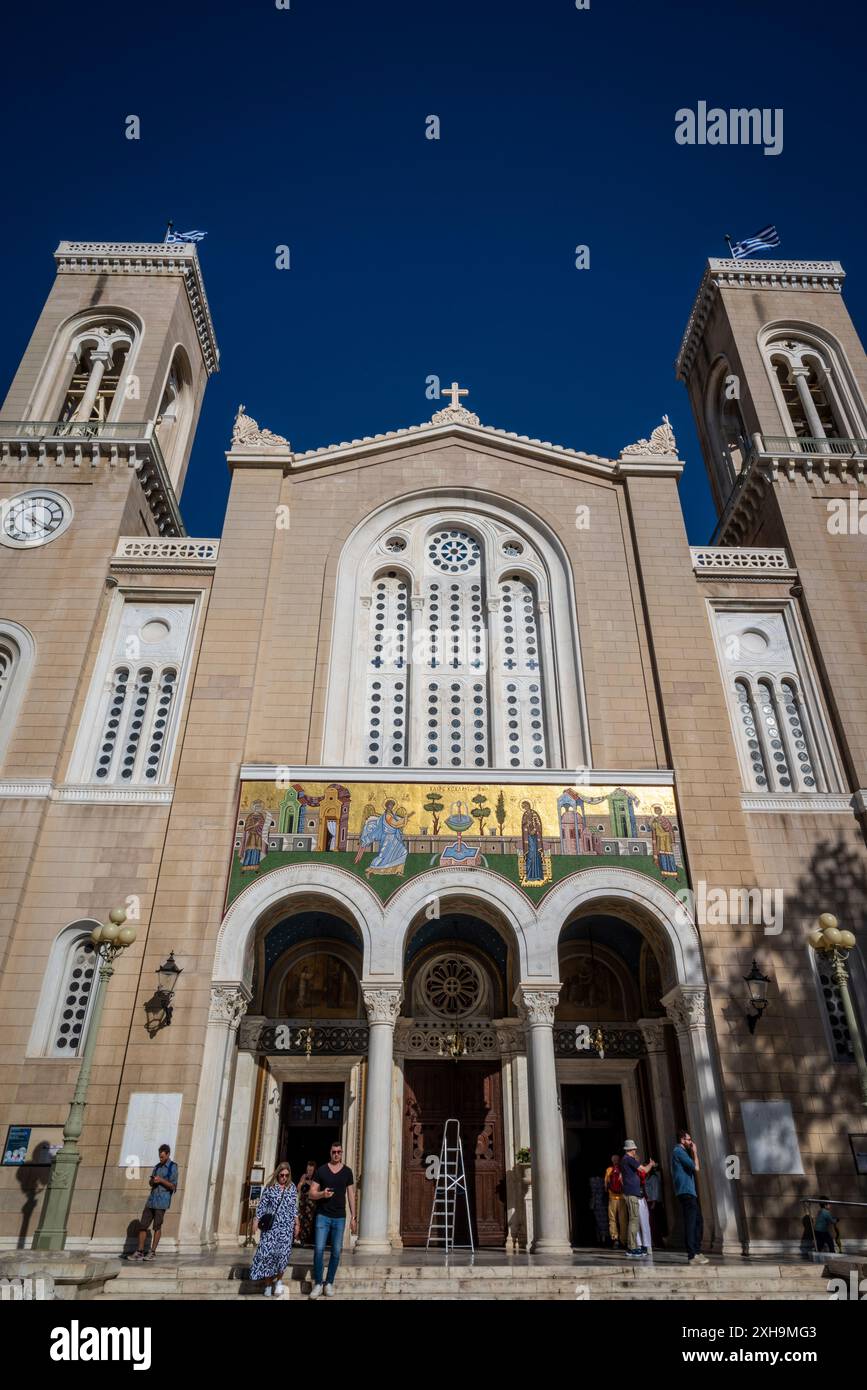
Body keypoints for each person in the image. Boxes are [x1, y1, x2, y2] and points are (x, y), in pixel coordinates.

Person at [308, 1141, 356, 1298]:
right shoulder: (321, 1170)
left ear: (342, 1153)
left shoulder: (348, 1172)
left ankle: (329, 1282)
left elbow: (351, 1195)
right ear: (330, 1152)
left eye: (339, 1152)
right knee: (319, 1250)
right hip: (323, 1215)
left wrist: (354, 1217)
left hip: (339, 1217)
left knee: (336, 1251)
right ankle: (318, 1283)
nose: (336, 1154)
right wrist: (323, 1194)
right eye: (334, 1151)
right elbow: (311, 1193)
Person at [251, 1161, 300, 1297]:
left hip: (286, 1228)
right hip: (271, 1229)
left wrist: (297, 1224)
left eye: (286, 1175)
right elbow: (262, 1206)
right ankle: (267, 1284)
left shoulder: (292, 1188)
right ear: (277, 1174)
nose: (284, 1177)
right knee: (267, 1255)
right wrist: (256, 1220)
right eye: (281, 1175)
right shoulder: (270, 1188)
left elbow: (294, 1208)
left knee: (282, 1256)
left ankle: (278, 1281)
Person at [131, 1144, 178, 1260]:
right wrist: (152, 1181)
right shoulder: (157, 1167)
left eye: (162, 1157)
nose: (160, 1159)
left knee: (157, 1227)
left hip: (162, 1202)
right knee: (143, 1226)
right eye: (159, 1156)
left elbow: (173, 1186)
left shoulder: (173, 1167)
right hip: (151, 1201)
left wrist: (161, 1180)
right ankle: (140, 1251)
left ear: (167, 1154)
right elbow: (151, 1183)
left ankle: (152, 1252)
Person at [672, 1130, 708, 1265]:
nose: (690, 1142)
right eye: (688, 1139)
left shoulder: (681, 1152)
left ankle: (697, 1251)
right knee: (691, 1222)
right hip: (685, 1191)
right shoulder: (679, 1152)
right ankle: (692, 1254)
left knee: (698, 1220)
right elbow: (696, 1167)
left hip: (689, 1191)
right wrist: (695, 1152)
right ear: (682, 1140)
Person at [621, 1140, 656, 1257]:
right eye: (634, 1149)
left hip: (630, 1193)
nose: (635, 1151)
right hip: (632, 1194)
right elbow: (644, 1170)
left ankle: (634, 1246)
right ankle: (632, 1247)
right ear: (630, 1150)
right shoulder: (629, 1159)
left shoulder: (625, 1160)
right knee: (634, 1221)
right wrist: (651, 1164)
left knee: (634, 1220)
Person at [604, 1153, 627, 1248]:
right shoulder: (623, 1170)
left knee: (612, 1219)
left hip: (612, 1198)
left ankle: (615, 1238)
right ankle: (624, 1240)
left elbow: (606, 1186)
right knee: (623, 1219)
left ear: (612, 1161)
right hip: (622, 1198)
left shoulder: (609, 1170)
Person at [296, 1159, 317, 1246]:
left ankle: (306, 1239)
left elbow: (316, 1190)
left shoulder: (316, 1178)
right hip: (302, 1202)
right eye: (308, 1170)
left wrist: (310, 1184)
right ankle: (298, 1238)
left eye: (311, 1170)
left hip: (311, 1204)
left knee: (308, 1222)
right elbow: (298, 1188)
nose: (309, 1172)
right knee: (300, 1219)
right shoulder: (303, 1176)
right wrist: (303, 1181)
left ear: (314, 1170)